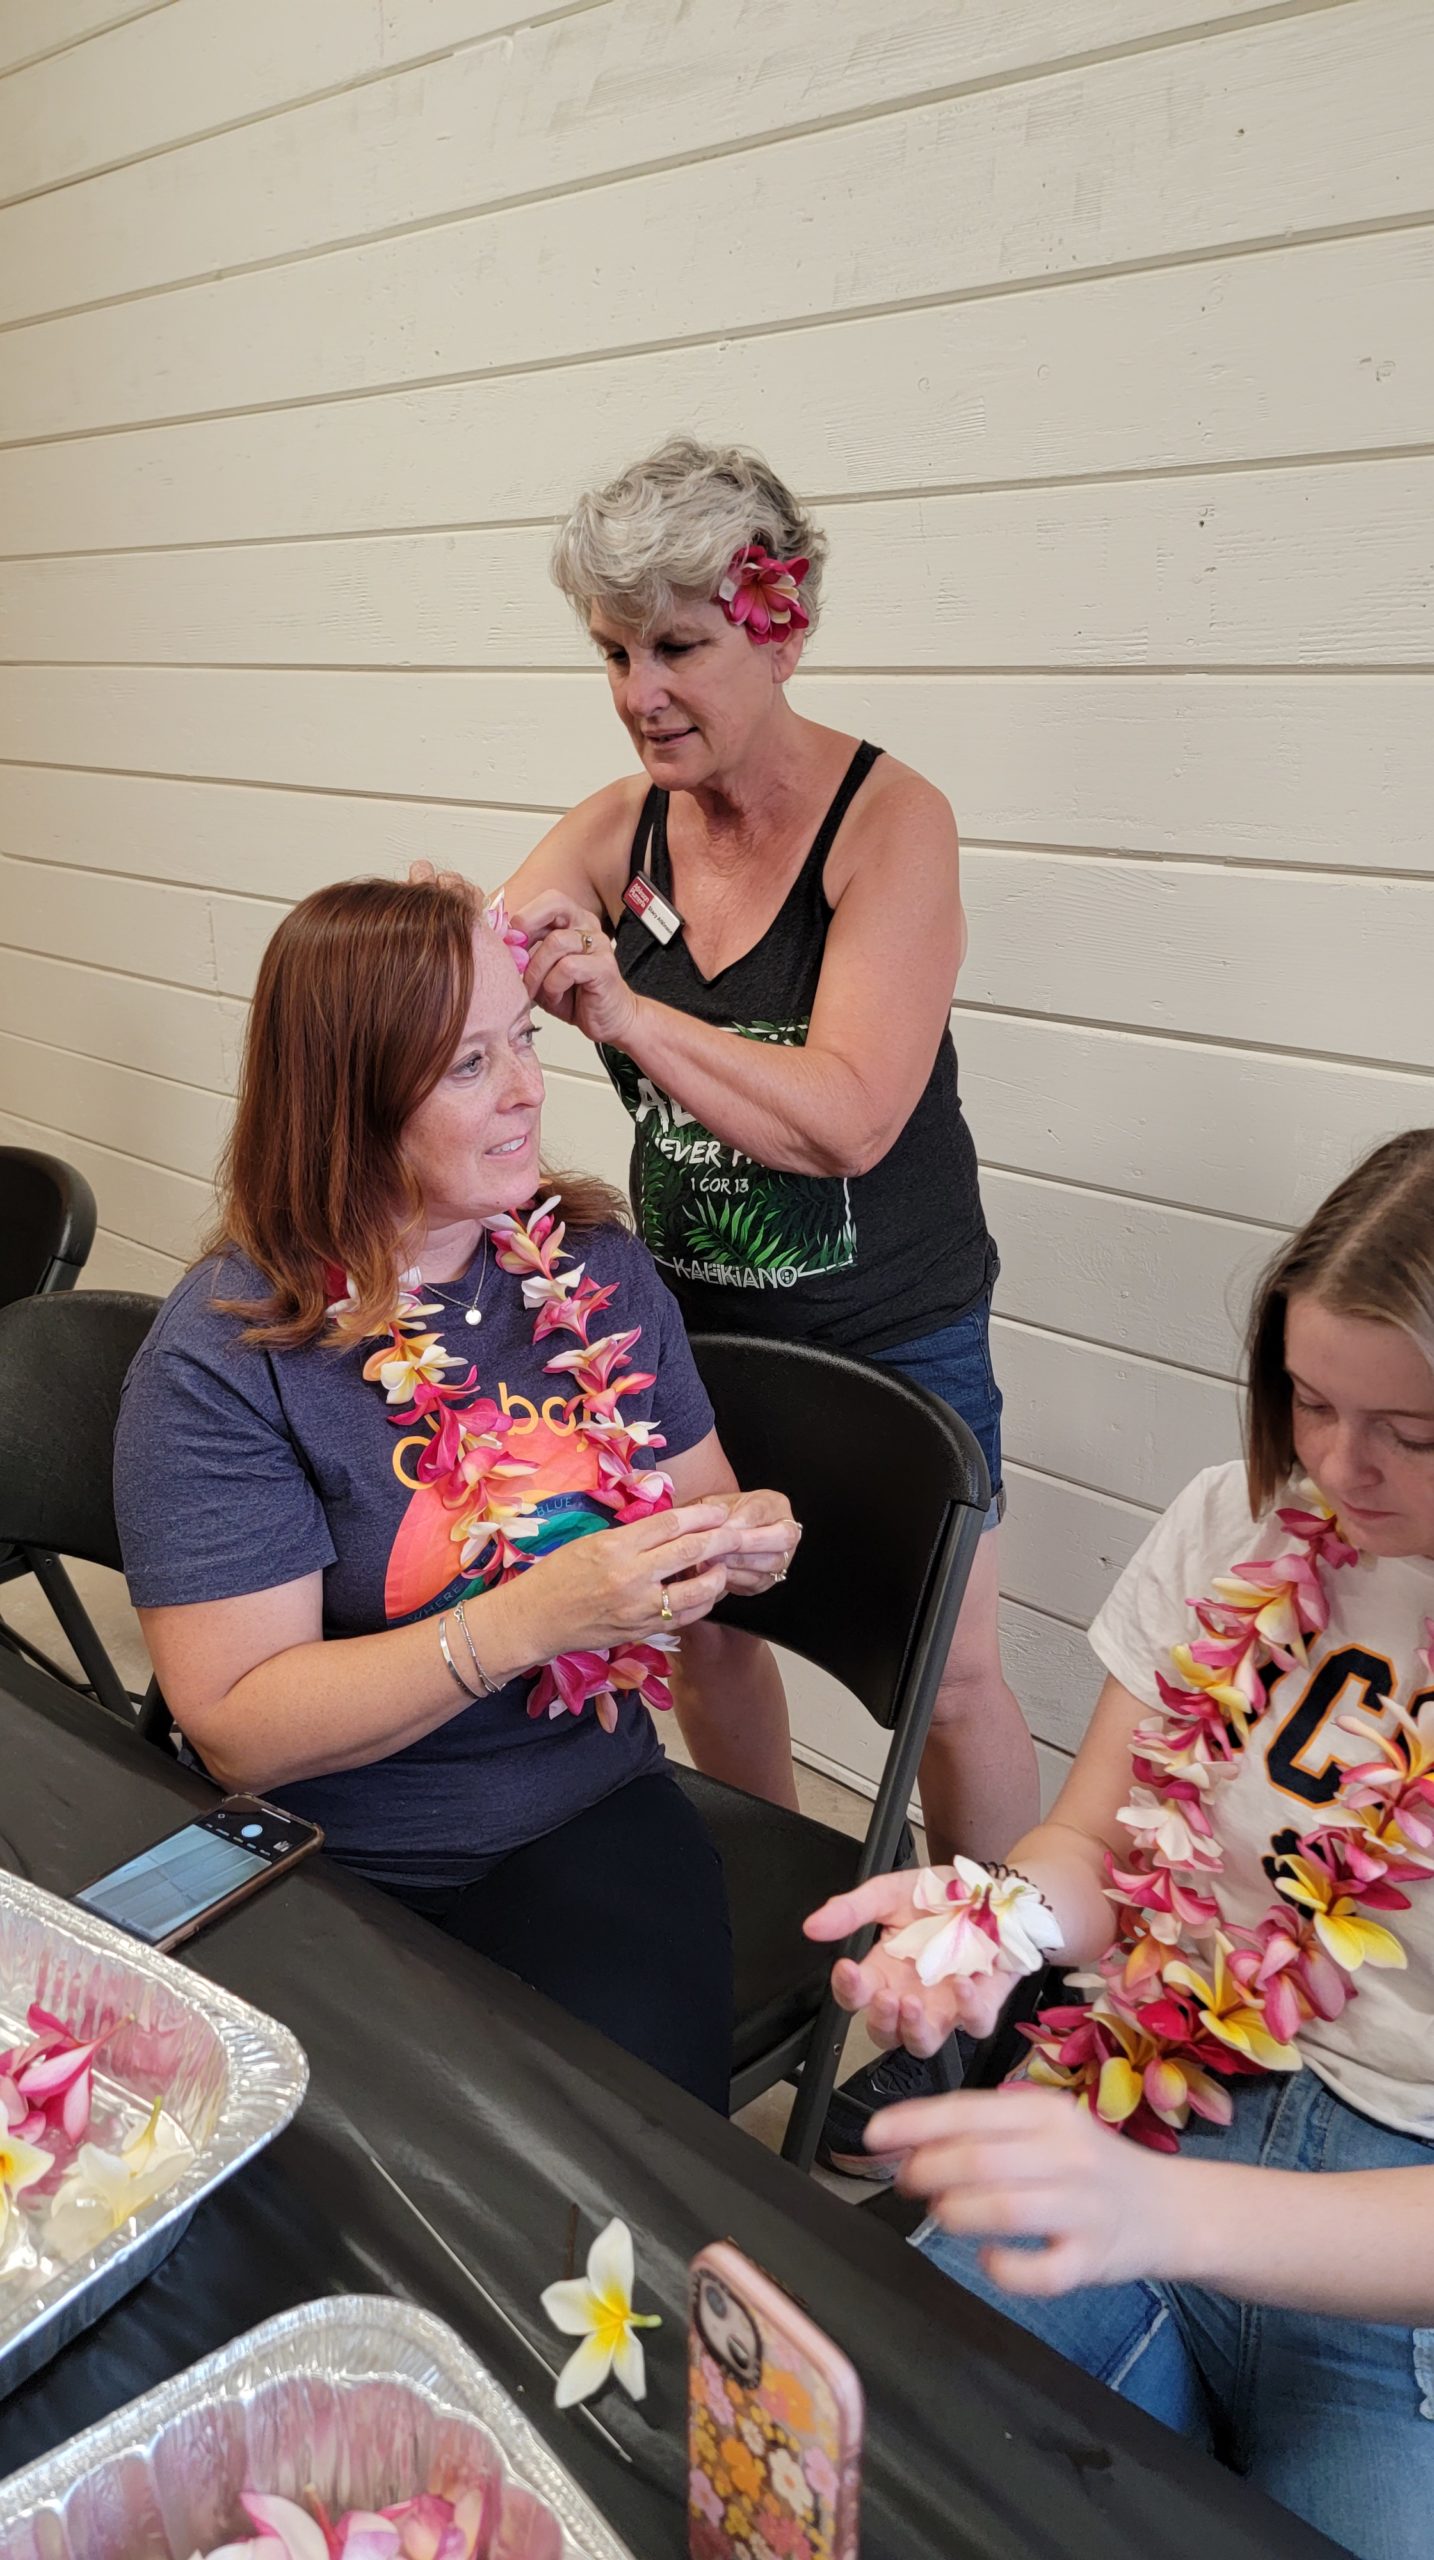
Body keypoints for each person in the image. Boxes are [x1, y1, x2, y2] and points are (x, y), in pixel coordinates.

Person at [501, 435, 1039, 2167]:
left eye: (677, 647)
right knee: (713, 1632)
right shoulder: (619, 832)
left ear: (781, 627)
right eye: (611, 650)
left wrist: (623, 1014)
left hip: (892, 1325)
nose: (637, 693)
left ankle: (993, 2011)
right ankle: (780, 1935)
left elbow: (850, 1115)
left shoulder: (890, 821)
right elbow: (471, 977)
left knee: (945, 1684)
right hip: (690, 1323)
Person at [805, 1130, 1434, 2560]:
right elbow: (1096, 1839)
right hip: (1169, 2080)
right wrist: (1000, 1924)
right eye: (1310, 1400)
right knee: (875, 2459)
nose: (1337, 1466)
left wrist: (1161, 2213)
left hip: (1391, 2258)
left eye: (1413, 1432)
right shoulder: (1236, 1523)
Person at [114, 879, 798, 2109]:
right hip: (328, 1843)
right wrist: (525, 1619)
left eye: (523, 1040)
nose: (529, 1087)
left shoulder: (595, 1265)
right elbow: (237, 1726)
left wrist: (739, 1538)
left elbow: (702, 1503)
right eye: (470, 1064)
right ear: (351, 1102)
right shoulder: (229, 1355)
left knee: (625, 2161)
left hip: (580, 1806)